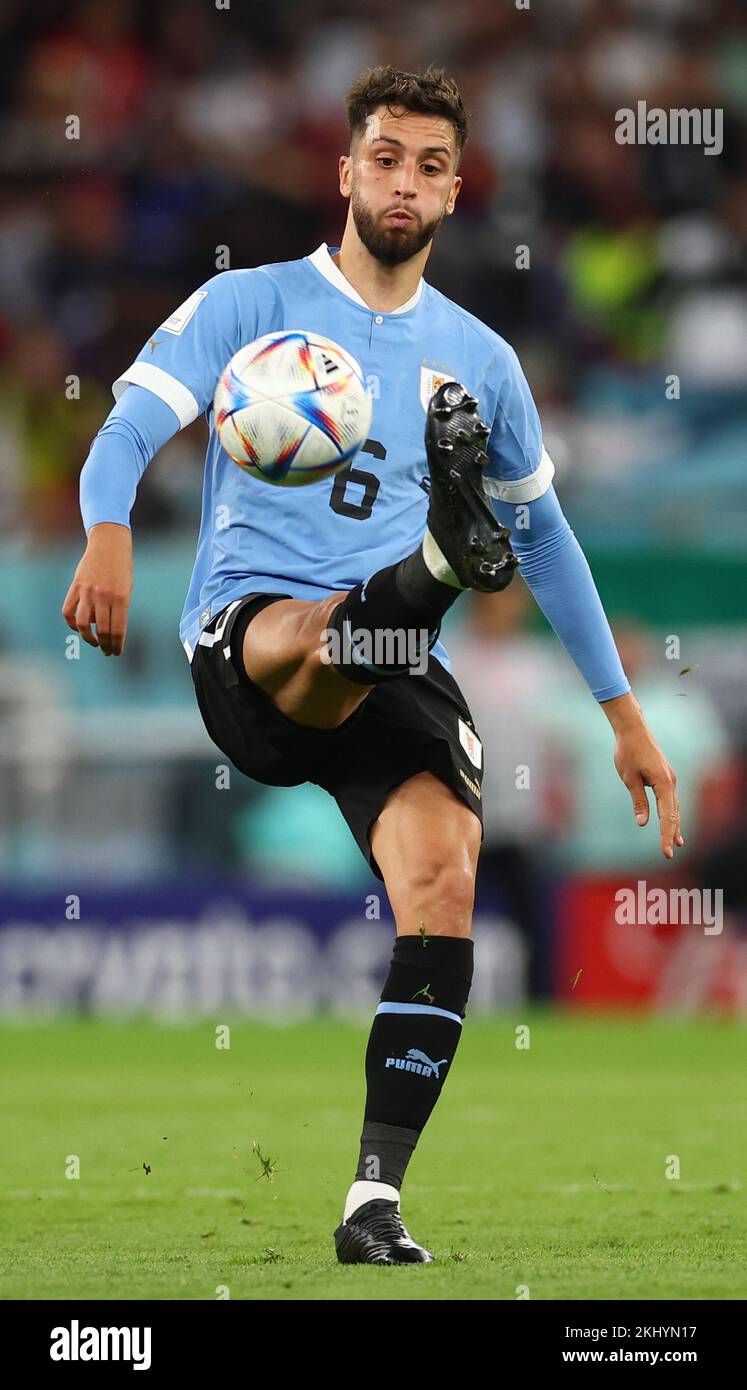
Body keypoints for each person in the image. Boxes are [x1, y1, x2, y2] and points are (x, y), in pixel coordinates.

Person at [62, 65, 682, 1265]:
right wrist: (109, 528)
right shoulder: (248, 305)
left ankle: (372, 1201)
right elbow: (133, 420)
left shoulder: (481, 361)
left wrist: (623, 710)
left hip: (392, 662)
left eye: (432, 165)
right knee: (316, 630)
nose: (406, 181)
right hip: (251, 644)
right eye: (386, 157)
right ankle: (441, 565)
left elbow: (547, 535)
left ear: (455, 191)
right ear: (346, 172)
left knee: (444, 878)